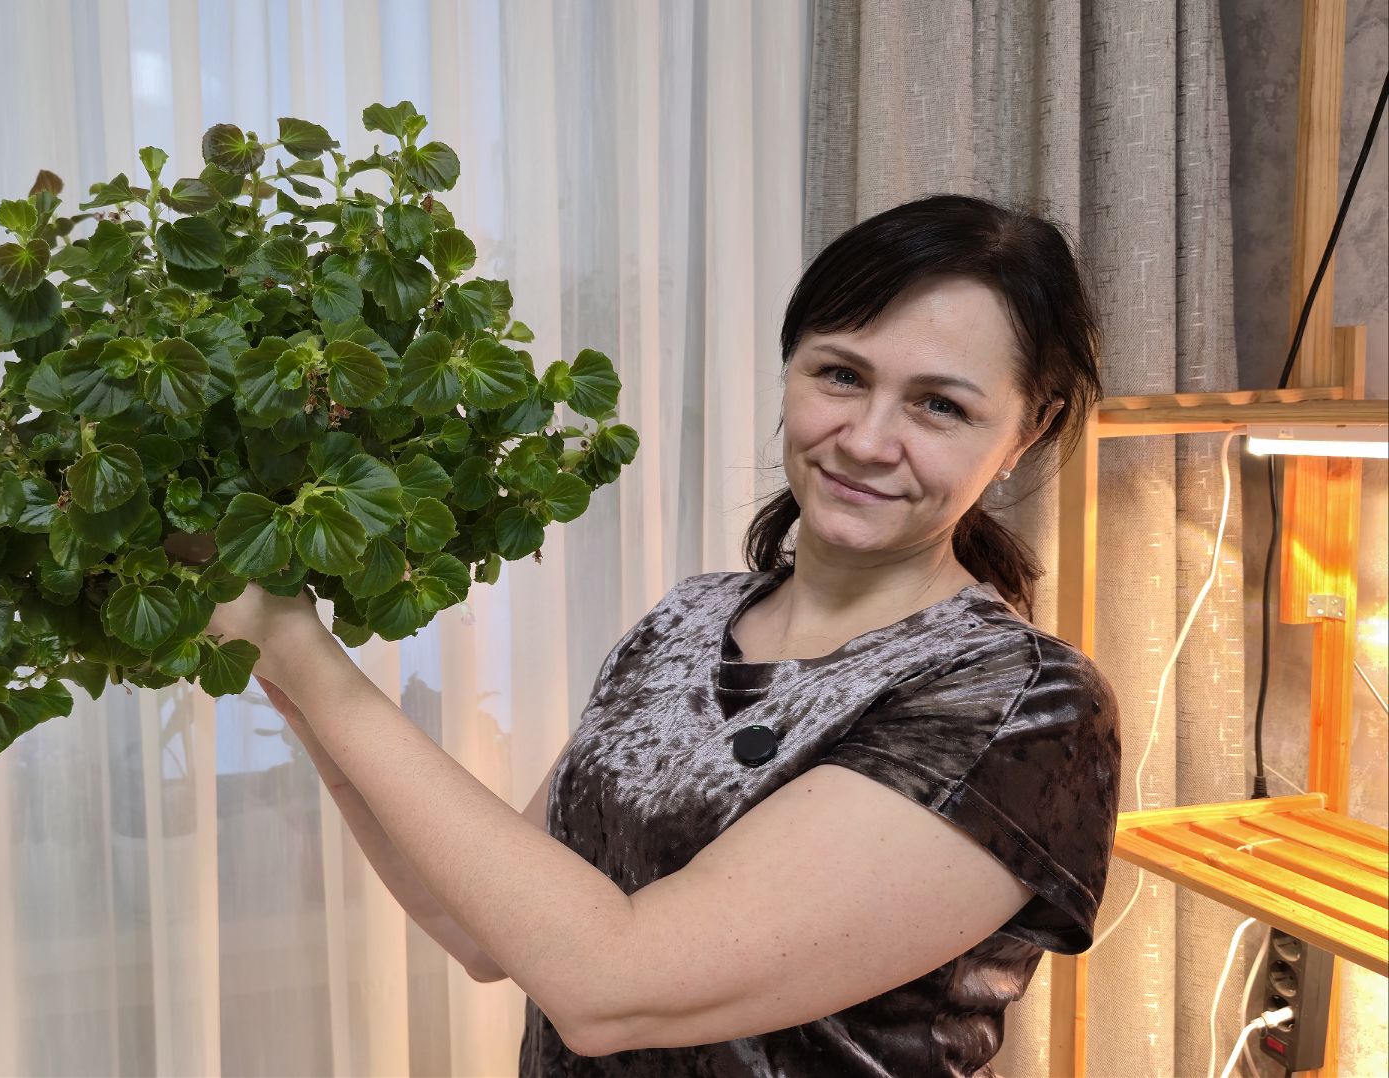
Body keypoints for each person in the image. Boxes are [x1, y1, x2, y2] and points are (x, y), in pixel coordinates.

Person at [207, 192, 1122, 1077]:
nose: (868, 439)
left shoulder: (1016, 706)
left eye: (940, 406)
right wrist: (279, 661)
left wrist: (304, 655)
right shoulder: (690, 620)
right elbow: (484, 930)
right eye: (840, 374)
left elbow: (611, 987)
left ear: (1025, 434)